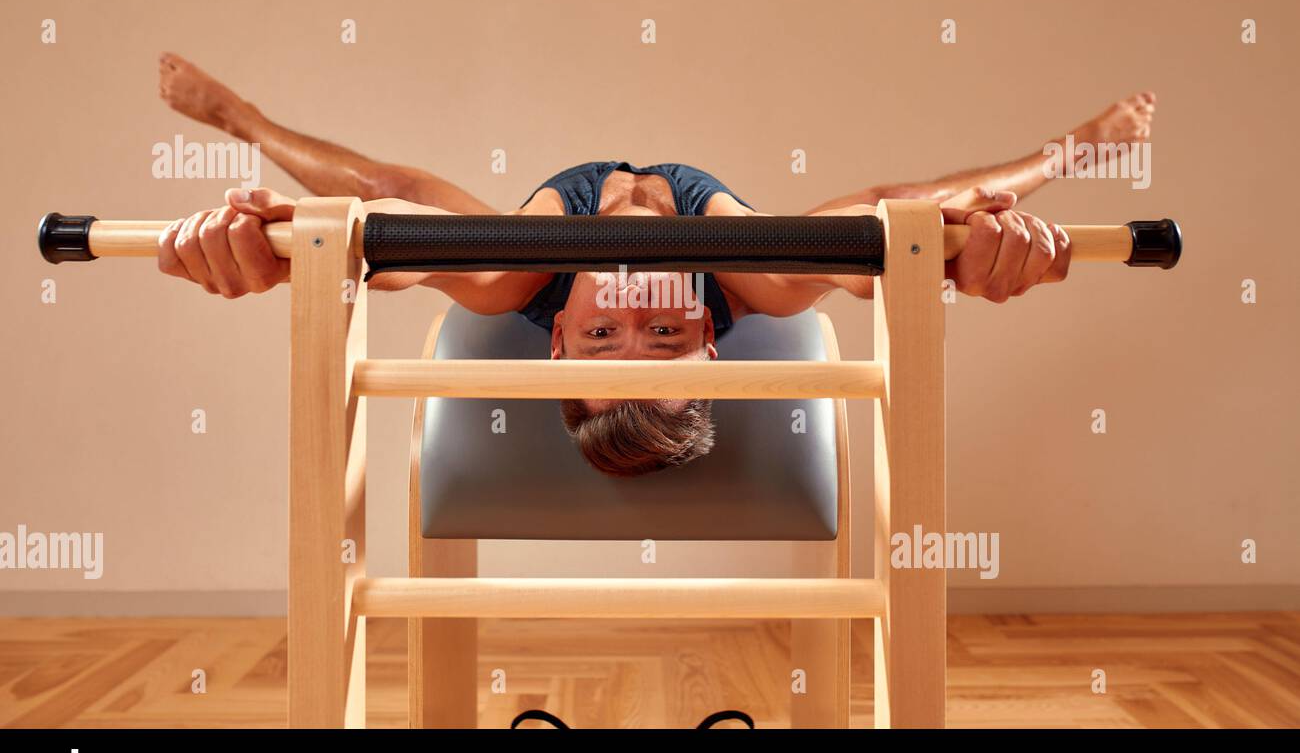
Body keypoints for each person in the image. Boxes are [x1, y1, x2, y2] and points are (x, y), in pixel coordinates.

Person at [155, 53, 1156, 475]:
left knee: (398, 193)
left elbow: (378, 218)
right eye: (663, 333)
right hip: (693, 201)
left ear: (554, 338)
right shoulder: (751, 277)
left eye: (601, 334)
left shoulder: (516, 282)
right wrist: (986, 236)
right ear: (712, 336)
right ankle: (1075, 146)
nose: (632, 303)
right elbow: (898, 225)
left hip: (566, 212)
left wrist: (279, 245)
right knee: (887, 220)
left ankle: (234, 117)